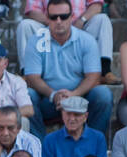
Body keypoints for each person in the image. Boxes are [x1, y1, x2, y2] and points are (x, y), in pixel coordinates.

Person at [22, 0, 111, 140]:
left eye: (63, 17)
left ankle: (92, 145)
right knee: (27, 95)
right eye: (53, 17)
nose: (58, 21)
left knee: (103, 94)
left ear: (71, 17)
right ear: (47, 18)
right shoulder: (36, 41)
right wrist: (53, 95)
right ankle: (39, 148)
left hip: (80, 98)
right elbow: (32, 78)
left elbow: (93, 76)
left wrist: (74, 94)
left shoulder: (86, 40)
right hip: (49, 100)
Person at [17, 0, 115, 81]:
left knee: (103, 19)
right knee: (25, 25)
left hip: (81, 28)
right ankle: (28, 74)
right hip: (50, 30)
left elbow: (96, 6)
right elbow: (32, 11)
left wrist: (81, 20)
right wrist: (55, 22)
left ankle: (104, 72)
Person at [41, 96, 107, 157]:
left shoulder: (98, 138)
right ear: (62, 114)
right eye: (68, 114)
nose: (72, 119)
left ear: (85, 117)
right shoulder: (50, 139)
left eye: (77, 114)